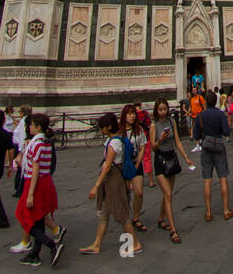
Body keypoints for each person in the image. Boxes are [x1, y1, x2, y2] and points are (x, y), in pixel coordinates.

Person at [82, 113, 144, 254]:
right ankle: (96, 245)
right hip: (109, 180)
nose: (101, 131)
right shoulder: (115, 140)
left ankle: (135, 243)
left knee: (122, 213)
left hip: (113, 181)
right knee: (103, 213)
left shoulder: (114, 143)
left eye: (103, 128)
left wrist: (95, 186)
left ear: (109, 127)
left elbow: (108, 165)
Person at [13, 114, 62, 267]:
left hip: (35, 183)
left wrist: (30, 194)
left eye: (32, 125)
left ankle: (52, 245)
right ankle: (35, 254)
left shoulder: (37, 144)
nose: (29, 127)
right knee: (38, 217)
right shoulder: (46, 142)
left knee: (22, 216)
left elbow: (35, 169)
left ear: (38, 127)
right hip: (44, 181)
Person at [150, 98, 193, 243]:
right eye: (160, 109)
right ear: (156, 110)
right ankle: (173, 230)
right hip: (160, 160)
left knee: (167, 193)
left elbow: (178, 142)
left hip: (172, 158)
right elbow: (153, 147)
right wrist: (160, 139)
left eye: (165, 109)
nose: (163, 111)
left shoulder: (171, 122)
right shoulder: (153, 125)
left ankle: (161, 219)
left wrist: (185, 157)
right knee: (168, 194)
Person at [192, 90, 233, 221]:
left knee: (207, 180)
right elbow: (227, 131)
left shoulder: (200, 115)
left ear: (205, 102)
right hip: (219, 147)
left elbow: (196, 135)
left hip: (206, 148)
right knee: (222, 178)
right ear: (215, 101)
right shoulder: (220, 114)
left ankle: (209, 212)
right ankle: (226, 210)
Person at [119, 104, 149, 233]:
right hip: (124, 166)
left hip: (136, 164)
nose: (131, 116)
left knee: (139, 192)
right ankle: (126, 219)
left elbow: (143, 148)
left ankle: (136, 218)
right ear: (124, 115)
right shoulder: (120, 132)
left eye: (133, 114)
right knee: (125, 194)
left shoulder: (139, 130)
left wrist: (137, 165)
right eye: (129, 114)